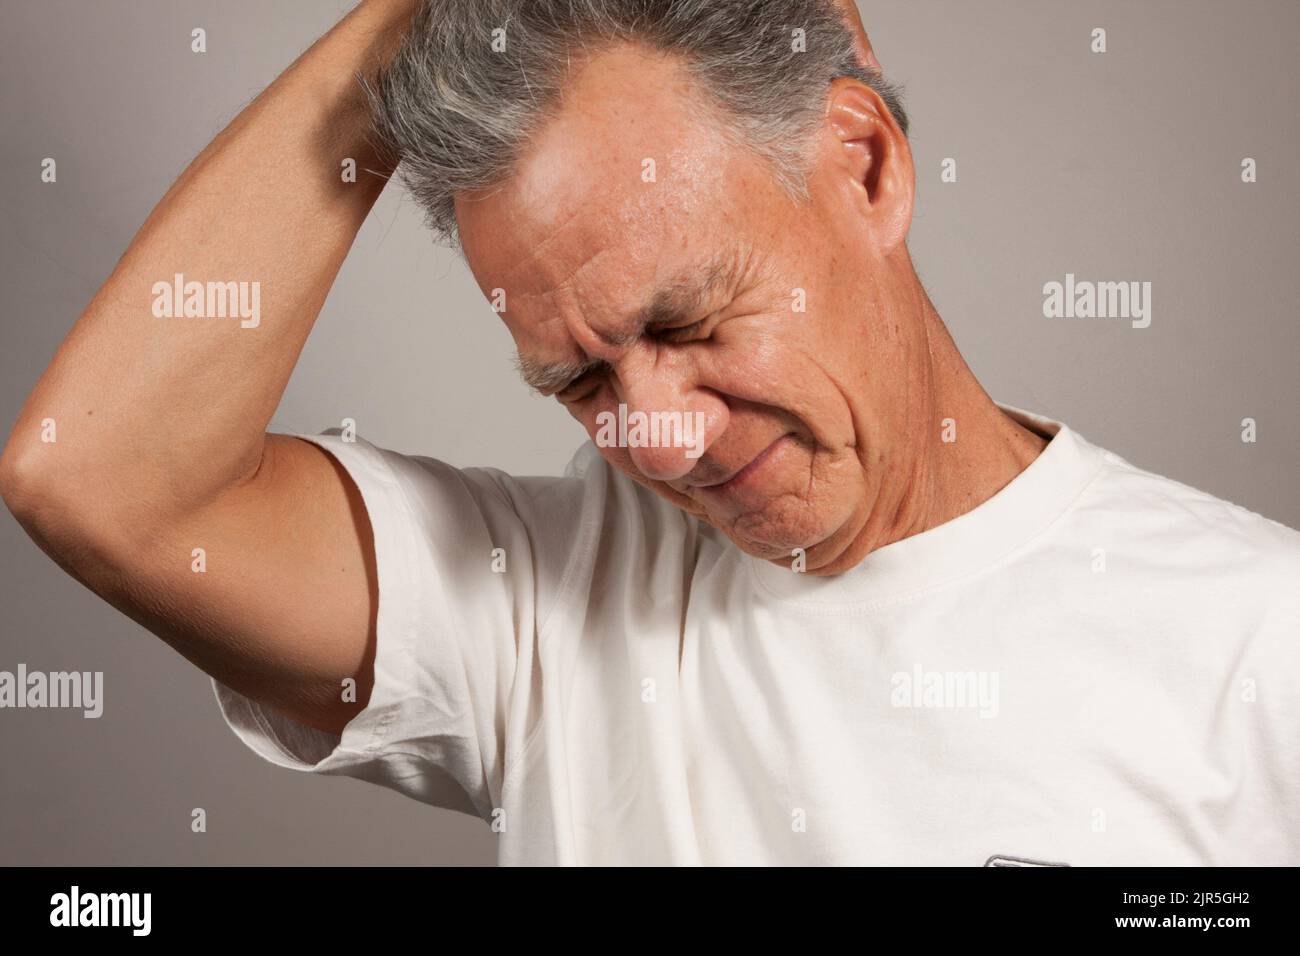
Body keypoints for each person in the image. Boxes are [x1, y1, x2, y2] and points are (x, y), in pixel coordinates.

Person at [2, 0, 1297, 866]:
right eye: (580, 379)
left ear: (865, 167)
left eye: (690, 319)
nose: (662, 440)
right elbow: (103, 483)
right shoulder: (535, 602)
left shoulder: (1258, 642)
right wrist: (422, 20)